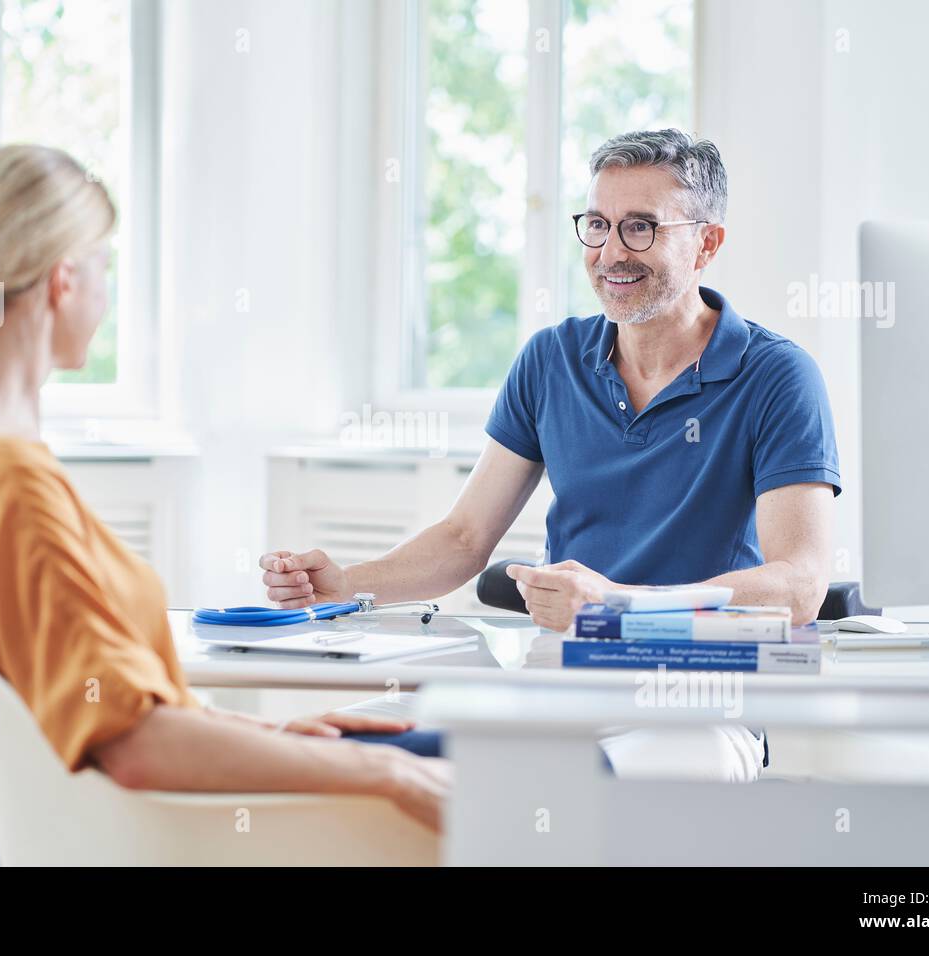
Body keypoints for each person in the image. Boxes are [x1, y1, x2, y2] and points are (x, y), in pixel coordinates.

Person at [0, 144, 450, 832]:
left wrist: (267, 736)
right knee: (527, 763)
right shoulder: (6, 489)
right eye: (105, 264)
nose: (107, 290)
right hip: (169, 833)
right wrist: (390, 771)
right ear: (63, 280)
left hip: (124, 817)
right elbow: (132, 745)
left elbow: (98, 717)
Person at [259, 129, 841, 782]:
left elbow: (798, 587)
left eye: (641, 228)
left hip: (697, 696)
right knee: (331, 754)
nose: (611, 253)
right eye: (598, 225)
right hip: (559, 679)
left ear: (707, 241)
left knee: (595, 790)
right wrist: (345, 586)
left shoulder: (777, 377)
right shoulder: (551, 359)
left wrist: (617, 607)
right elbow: (462, 538)